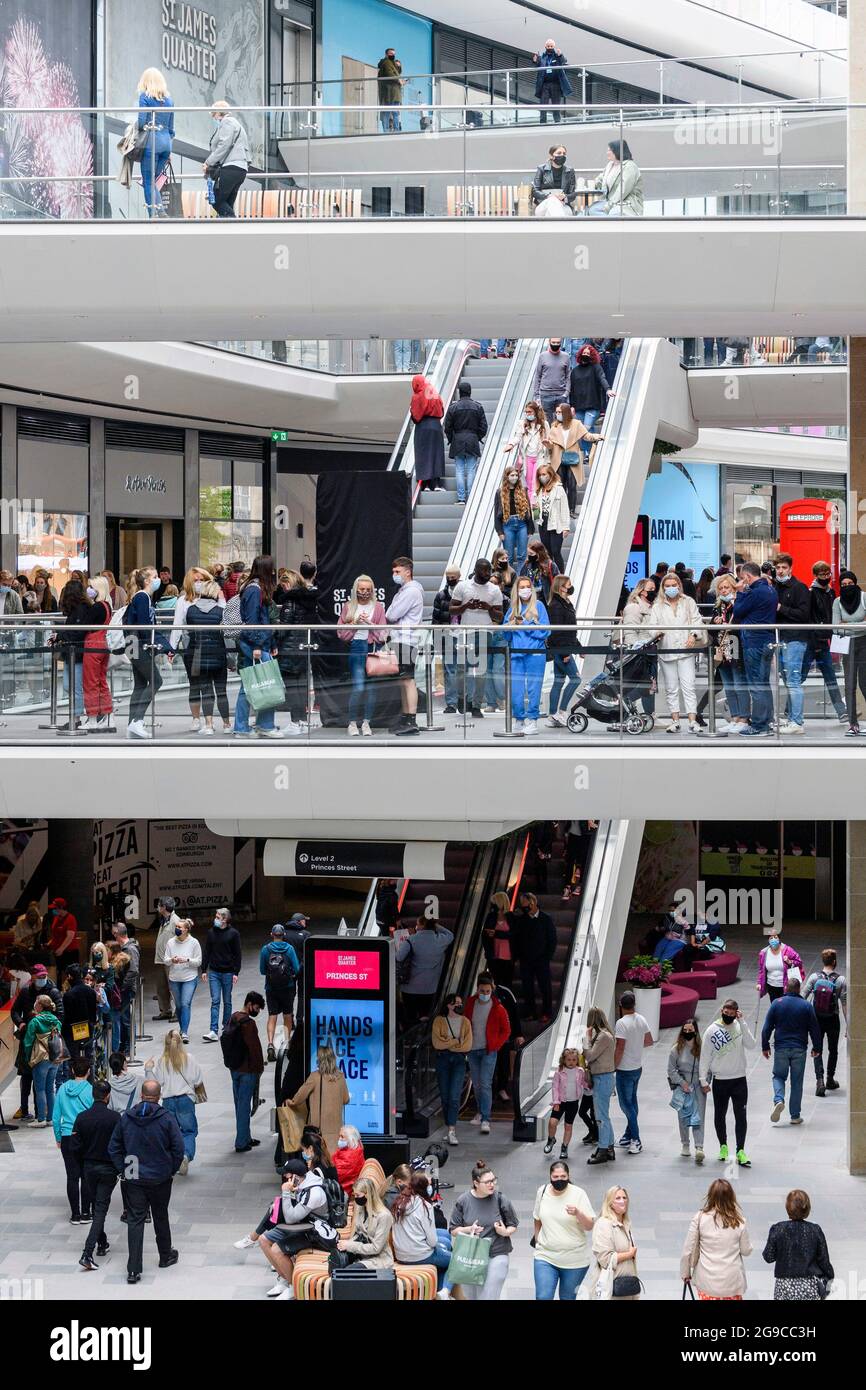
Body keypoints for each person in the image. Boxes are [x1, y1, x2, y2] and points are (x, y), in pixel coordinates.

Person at [108, 1078, 183, 1284]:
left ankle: (133, 1269)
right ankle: (165, 1255)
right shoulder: (167, 1118)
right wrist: (171, 1169)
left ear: (141, 1096)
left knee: (135, 1220)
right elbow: (178, 1148)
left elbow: (114, 1147)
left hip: (134, 1175)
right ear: (159, 1097)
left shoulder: (127, 1118)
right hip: (160, 1175)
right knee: (160, 1215)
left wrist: (123, 1169)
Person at [258, 1157, 334, 1300]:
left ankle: (294, 1286)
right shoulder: (301, 1183)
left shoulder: (314, 1192)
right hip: (301, 1225)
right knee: (263, 1240)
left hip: (314, 1232)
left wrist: (286, 1193)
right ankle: (283, 1279)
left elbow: (291, 1218)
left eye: (286, 1175)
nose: (284, 1178)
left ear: (295, 1177)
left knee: (276, 1249)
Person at [699, 1000, 757, 1168]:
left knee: (741, 1116)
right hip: (720, 1080)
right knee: (720, 1114)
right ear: (722, 1011)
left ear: (736, 1013)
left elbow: (752, 1044)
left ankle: (740, 1150)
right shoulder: (712, 1031)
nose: (729, 1016)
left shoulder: (739, 1026)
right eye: (727, 1013)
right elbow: (705, 1056)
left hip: (739, 1079)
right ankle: (723, 1146)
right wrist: (703, 1080)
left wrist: (743, 1023)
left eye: (732, 1014)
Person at [73, 1079, 122, 1271]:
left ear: (93, 1095)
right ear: (108, 1096)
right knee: (100, 1209)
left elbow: (75, 1148)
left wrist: (82, 1166)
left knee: (96, 1207)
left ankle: (102, 1243)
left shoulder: (82, 1117)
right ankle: (87, 1252)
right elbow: (121, 1144)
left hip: (89, 1168)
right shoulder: (115, 1118)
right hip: (108, 1169)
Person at [450, 1165, 518, 1301]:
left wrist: (504, 1232)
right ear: (476, 1183)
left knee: (488, 1296)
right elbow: (453, 1229)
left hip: (496, 1254)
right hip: (471, 1257)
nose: (492, 1184)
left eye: (493, 1180)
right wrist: (468, 1229)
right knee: (471, 1296)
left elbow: (513, 1224)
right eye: (487, 1182)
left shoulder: (500, 1199)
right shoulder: (463, 1200)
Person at [650, 570, 705, 733]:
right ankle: (674, 720)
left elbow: (697, 621)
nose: (671, 588)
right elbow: (652, 626)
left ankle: (692, 721)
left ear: (679, 586)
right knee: (671, 687)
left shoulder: (688, 602)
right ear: (663, 587)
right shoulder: (658, 605)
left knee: (689, 686)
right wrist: (656, 633)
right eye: (667, 586)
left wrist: (694, 635)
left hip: (686, 650)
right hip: (666, 650)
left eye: (674, 585)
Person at [233, 555, 281, 740]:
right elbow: (254, 621)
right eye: (272, 568)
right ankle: (262, 725)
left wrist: (270, 643)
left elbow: (259, 620)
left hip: (257, 643)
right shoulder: (255, 590)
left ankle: (246, 726)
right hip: (256, 643)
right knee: (264, 684)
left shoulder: (252, 588)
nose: (274, 572)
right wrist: (259, 645)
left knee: (251, 685)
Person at [762, 978, 821, 1126]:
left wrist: (765, 1046)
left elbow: (767, 1027)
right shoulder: (806, 1006)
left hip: (781, 1047)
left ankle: (779, 1100)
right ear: (799, 989)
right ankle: (795, 1115)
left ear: (786, 988)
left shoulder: (777, 1003)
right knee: (797, 1082)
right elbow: (815, 1029)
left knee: (778, 1076)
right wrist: (817, 1048)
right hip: (799, 1048)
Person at [176, 573, 230, 736]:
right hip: (219, 655)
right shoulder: (221, 611)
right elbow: (227, 637)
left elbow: (186, 634)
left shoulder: (191, 611)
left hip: (198, 655)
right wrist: (231, 659)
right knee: (221, 690)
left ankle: (208, 724)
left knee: (205, 690)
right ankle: (227, 724)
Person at [533, 1160, 595, 1301]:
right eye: (556, 1177)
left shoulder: (578, 1194)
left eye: (563, 1177)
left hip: (575, 1260)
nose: (559, 1180)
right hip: (545, 1256)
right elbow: (537, 1218)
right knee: (543, 1297)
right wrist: (538, 1240)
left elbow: (589, 1226)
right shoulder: (542, 1192)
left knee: (567, 1297)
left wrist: (578, 1213)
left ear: (568, 1176)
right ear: (550, 1177)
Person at [144, 1029, 204, 1174]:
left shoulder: (162, 1061)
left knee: (171, 1132)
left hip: (168, 1101)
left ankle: (172, 1159)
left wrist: (149, 1069)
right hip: (186, 1100)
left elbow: (157, 1083)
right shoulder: (189, 1058)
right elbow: (198, 1079)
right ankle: (186, 1155)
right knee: (189, 1131)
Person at [681, 1180, 752, 1301]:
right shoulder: (739, 1221)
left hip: (706, 1281)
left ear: (711, 1196)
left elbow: (688, 1248)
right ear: (731, 1197)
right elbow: (746, 1251)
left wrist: (685, 1273)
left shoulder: (699, 1218)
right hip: (732, 1282)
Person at [449, 558, 503, 718]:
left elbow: (499, 616)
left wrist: (489, 608)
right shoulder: (463, 586)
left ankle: (476, 705)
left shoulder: (494, 590)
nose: (487, 574)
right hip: (464, 631)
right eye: (484, 571)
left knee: (481, 670)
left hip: (484, 631)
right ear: (476, 570)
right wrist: (466, 606)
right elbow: (452, 610)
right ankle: (462, 697)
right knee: (461, 669)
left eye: (489, 571)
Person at [337, 574, 388, 737]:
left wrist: (370, 624)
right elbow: (341, 634)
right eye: (361, 589)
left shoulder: (378, 607)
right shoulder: (348, 607)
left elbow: (383, 634)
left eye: (368, 590)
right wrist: (355, 624)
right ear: (356, 590)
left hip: (373, 648)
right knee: (358, 687)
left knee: (372, 689)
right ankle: (352, 723)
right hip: (357, 649)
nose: (365, 592)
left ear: (372, 590)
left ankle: (366, 722)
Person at [11, 965, 63, 1121]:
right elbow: (14, 1011)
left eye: (43, 976)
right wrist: (20, 1022)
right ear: (32, 977)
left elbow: (61, 1015)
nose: (41, 979)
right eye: (38, 977)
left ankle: (41, 1114)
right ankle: (26, 1109)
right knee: (28, 1079)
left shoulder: (53, 991)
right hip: (31, 1038)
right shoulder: (26, 992)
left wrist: (45, 1029)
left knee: (42, 1085)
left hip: (45, 1046)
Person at [124, 566, 170, 739]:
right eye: (155, 576)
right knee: (156, 680)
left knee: (141, 684)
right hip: (138, 645)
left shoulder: (142, 597)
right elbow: (145, 625)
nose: (158, 579)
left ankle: (132, 724)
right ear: (147, 580)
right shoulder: (143, 597)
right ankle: (137, 721)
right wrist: (154, 644)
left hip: (133, 645)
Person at [733, 562, 778, 736]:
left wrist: (740, 592)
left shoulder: (754, 592)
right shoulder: (771, 590)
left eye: (742, 579)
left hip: (754, 642)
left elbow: (738, 611)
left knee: (756, 685)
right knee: (763, 683)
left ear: (747, 577)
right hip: (767, 641)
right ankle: (767, 721)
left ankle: (759, 725)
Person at [763, 1190, 834, 1301]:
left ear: (788, 1207)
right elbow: (823, 1260)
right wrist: (829, 1277)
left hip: (784, 1286)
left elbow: (769, 1257)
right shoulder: (815, 1230)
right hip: (809, 1285)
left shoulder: (778, 1229)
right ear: (807, 1208)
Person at [463, 974, 511, 1134]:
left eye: (488, 990)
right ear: (477, 990)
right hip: (472, 1049)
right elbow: (465, 1022)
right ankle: (480, 1112)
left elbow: (506, 1030)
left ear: (492, 990)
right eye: (482, 990)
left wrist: (496, 1045)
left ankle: (486, 1118)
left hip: (488, 1051)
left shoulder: (498, 1008)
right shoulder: (470, 1003)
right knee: (476, 1084)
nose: (484, 993)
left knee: (485, 1083)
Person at [502, 576, 550, 735]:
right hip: (516, 655)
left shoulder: (539, 606)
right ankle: (519, 719)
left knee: (533, 688)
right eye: (521, 587)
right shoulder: (513, 608)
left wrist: (525, 626)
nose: (524, 590)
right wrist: (510, 625)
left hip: (535, 654)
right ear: (516, 590)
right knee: (516, 689)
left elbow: (545, 631)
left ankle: (533, 720)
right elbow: (505, 635)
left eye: (527, 586)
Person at [273, 566, 317, 735]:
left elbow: (284, 627)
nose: (282, 588)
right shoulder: (310, 600)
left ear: (288, 584)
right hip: (304, 647)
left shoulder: (289, 601)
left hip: (289, 648)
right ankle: (303, 721)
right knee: (302, 686)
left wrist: (275, 636)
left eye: (283, 585)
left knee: (292, 688)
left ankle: (294, 722)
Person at [391, 1170, 451, 1294]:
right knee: (455, 1260)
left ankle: (438, 1291)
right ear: (424, 1187)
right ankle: (444, 1290)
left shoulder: (399, 1202)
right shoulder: (424, 1206)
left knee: (444, 1236)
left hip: (401, 1254)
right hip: (420, 1255)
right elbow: (433, 1242)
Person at [221, 991, 265, 1153]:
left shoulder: (233, 1018)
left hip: (234, 1068)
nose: (257, 1011)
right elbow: (254, 1049)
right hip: (248, 1070)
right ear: (249, 1004)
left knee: (240, 1105)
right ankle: (241, 1142)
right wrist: (259, 1068)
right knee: (244, 1107)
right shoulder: (248, 1024)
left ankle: (246, 1136)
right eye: (257, 1007)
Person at [802, 562, 846, 723]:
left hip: (825, 639)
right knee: (800, 676)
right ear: (816, 575)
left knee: (830, 677)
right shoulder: (811, 592)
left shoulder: (831, 592)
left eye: (827, 574)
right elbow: (809, 616)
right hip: (812, 640)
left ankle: (841, 711)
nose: (825, 577)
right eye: (822, 574)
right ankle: (788, 710)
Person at [386, 556, 425, 736]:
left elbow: (392, 614)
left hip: (407, 639)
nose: (394, 575)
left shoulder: (411, 591)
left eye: (397, 572)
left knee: (408, 680)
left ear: (407, 572)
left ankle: (411, 719)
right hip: (401, 638)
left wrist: (392, 613)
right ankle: (405, 717)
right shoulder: (404, 590)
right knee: (403, 680)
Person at [773, 553, 811, 734]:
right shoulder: (774, 587)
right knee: (787, 681)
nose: (780, 571)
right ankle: (791, 719)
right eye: (778, 568)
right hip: (779, 640)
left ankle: (797, 721)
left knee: (793, 681)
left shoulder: (799, 588)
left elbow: (804, 615)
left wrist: (782, 608)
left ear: (790, 568)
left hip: (795, 639)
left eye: (783, 568)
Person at [53, 1055, 94, 1224]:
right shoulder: (91, 1090)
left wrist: (58, 1137)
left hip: (67, 1135)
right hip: (85, 1137)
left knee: (72, 1176)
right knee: (86, 1175)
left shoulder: (62, 1089)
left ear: (71, 1070)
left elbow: (56, 1117)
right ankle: (86, 1213)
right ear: (89, 1072)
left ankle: (75, 1214)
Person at [709, 573, 750, 732]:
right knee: (729, 685)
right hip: (721, 647)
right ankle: (734, 718)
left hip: (735, 644)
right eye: (721, 588)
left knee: (739, 683)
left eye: (727, 587)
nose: (724, 591)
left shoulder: (738, 603)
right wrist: (715, 622)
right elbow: (712, 630)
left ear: (733, 587)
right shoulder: (718, 605)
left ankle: (744, 718)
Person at [614, 991, 653, 1156]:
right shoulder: (641, 1019)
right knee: (633, 1102)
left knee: (626, 1105)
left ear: (621, 1005)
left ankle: (636, 1139)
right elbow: (649, 1041)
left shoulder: (621, 1023)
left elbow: (620, 1048)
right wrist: (635, 1047)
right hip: (637, 1068)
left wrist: (613, 1066)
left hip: (624, 1070)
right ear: (634, 1004)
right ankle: (627, 1135)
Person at [289, 1045, 350, 1151]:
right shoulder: (340, 1076)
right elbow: (346, 1099)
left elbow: (299, 1097)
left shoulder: (315, 1077)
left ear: (319, 1060)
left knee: (320, 1157)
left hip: (318, 1128)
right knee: (333, 1158)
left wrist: (291, 1102)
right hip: (336, 1127)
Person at [395, 916, 455, 1023]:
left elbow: (399, 957)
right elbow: (450, 935)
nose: (416, 926)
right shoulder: (440, 940)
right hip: (430, 987)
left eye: (418, 924)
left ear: (422, 925)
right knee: (425, 1016)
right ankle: (422, 1035)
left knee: (410, 1016)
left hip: (409, 987)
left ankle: (409, 1035)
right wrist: (435, 925)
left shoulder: (411, 939)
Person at [804, 948, 847, 1096]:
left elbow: (803, 997)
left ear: (823, 961)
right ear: (834, 962)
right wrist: (849, 1025)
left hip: (816, 1019)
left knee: (817, 1049)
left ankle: (820, 1081)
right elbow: (845, 1004)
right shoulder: (841, 980)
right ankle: (830, 1078)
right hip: (833, 1019)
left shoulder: (814, 978)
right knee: (833, 1049)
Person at [432, 992, 472, 1146]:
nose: (459, 1005)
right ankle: (449, 1127)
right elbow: (437, 1044)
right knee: (445, 1095)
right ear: (448, 1005)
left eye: (460, 1002)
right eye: (456, 1003)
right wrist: (456, 1041)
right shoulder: (439, 1021)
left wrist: (447, 1041)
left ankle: (451, 1130)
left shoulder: (466, 1022)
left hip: (459, 1061)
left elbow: (467, 1046)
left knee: (454, 1096)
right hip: (442, 1060)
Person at [586, 1186, 640, 1299]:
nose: (622, 1201)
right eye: (618, 1198)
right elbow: (605, 1259)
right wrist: (629, 1254)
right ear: (610, 1203)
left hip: (627, 1288)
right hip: (610, 1289)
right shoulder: (604, 1224)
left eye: (624, 1198)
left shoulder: (626, 1224)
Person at [548, 402, 603, 512]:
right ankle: (562, 511)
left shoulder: (576, 424)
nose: (557, 414)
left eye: (560, 412)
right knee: (560, 486)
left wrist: (597, 436)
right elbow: (551, 443)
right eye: (557, 412)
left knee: (572, 485)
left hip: (573, 458)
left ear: (566, 412)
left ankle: (571, 510)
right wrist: (547, 444)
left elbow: (586, 436)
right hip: (558, 459)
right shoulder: (554, 426)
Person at [136, 68, 175, 218]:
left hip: (151, 144)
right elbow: (171, 129)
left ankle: (155, 214)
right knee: (153, 181)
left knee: (148, 181)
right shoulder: (170, 101)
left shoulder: (144, 97)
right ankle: (160, 211)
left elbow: (141, 122)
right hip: (166, 144)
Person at [443, 379, 488, 504]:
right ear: (470, 392)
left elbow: (448, 427)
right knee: (471, 469)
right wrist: (478, 437)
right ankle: (471, 498)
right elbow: (483, 426)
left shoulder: (453, 407)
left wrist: (451, 438)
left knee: (459, 470)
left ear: (460, 392)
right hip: (472, 440)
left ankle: (461, 498)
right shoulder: (478, 407)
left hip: (458, 440)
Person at [200, 906, 241, 1042]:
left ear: (224, 919)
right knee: (215, 1000)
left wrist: (236, 972)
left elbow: (237, 954)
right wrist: (204, 969)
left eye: (218, 917)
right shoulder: (211, 933)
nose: (215, 919)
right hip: (214, 972)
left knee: (227, 1001)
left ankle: (226, 1027)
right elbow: (207, 951)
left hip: (228, 972)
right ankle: (213, 1030)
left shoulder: (233, 934)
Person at [833, 569, 866, 735]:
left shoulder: (864, 597)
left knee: (865, 683)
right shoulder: (837, 602)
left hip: (864, 643)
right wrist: (861, 622)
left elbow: (843, 625)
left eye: (850, 584)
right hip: (847, 645)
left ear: (855, 583)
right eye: (843, 585)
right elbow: (836, 628)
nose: (847, 587)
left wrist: (847, 623)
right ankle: (853, 724)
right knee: (850, 684)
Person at [668, 1017, 706, 1164]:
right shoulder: (676, 1049)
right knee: (683, 1116)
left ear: (695, 1031)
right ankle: (685, 1144)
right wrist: (682, 1083)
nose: (688, 1032)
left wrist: (705, 1082)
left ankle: (699, 1147)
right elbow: (671, 1070)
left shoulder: (702, 1048)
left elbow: (707, 1066)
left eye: (691, 1030)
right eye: (685, 1030)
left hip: (698, 1084)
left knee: (699, 1116)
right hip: (682, 1086)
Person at [335, 1176, 394, 1270]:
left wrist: (350, 1246)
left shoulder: (384, 1216)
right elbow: (358, 1234)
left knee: (348, 1272)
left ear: (367, 1195)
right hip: (362, 1255)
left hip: (379, 1259)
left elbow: (376, 1248)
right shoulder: (361, 1208)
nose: (356, 1199)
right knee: (336, 1263)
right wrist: (346, 1244)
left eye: (358, 1195)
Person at [569, 343, 613, 463]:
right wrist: (572, 405)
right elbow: (571, 389)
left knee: (585, 429)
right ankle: (591, 452)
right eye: (584, 353)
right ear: (580, 354)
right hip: (578, 406)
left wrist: (608, 389)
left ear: (592, 355)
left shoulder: (596, 367)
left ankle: (587, 452)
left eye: (588, 354)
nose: (586, 355)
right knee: (585, 430)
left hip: (592, 405)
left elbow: (602, 378)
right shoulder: (575, 371)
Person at [515, 892, 556, 1020]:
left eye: (526, 905)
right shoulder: (522, 920)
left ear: (533, 903)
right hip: (526, 960)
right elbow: (518, 939)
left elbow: (552, 939)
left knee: (545, 987)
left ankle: (546, 1012)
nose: (524, 908)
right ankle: (530, 1012)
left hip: (541, 960)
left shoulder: (545, 919)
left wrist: (547, 957)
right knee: (527, 987)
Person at [203, 101, 249, 217]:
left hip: (231, 167)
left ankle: (233, 223)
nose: (213, 117)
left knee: (216, 200)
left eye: (213, 114)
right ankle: (229, 229)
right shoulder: (236, 124)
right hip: (240, 168)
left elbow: (224, 145)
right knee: (227, 202)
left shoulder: (227, 122)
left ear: (219, 113)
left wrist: (208, 162)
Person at [543, 1048, 590, 1159]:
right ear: (564, 1060)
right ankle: (551, 1139)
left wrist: (589, 1085)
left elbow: (583, 1083)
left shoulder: (580, 1071)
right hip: (560, 1102)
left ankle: (564, 1147)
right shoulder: (559, 1072)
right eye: (568, 1059)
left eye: (574, 1060)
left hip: (573, 1103)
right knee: (552, 1123)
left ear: (577, 1060)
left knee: (568, 1126)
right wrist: (556, 1102)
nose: (571, 1062)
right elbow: (555, 1088)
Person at [82, 575, 113, 728]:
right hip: (104, 644)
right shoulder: (107, 605)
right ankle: (108, 717)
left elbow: (86, 624)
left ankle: (92, 718)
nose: (89, 590)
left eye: (92, 587)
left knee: (91, 683)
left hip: (93, 645)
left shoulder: (96, 607)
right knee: (101, 682)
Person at [494, 465, 534, 574]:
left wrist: (530, 528)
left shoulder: (522, 490)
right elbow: (497, 514)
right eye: (512, 475)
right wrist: (499, 531)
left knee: (522, 555)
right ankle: (509, 579)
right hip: (507, 524)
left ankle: (521, 578)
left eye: (516, 475)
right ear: (507, 476)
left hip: (522, 523)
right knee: (508, 556)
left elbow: (528, 509)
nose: (515, 477)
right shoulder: (500, 492)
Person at [588, 139, 644, 217]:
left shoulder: (630, 167)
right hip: (610, 202)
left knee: (611, 213)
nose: (607, 153)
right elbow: (601, 179)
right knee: (590, 210)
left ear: (617, 151)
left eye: (609, 150)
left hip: (626, 204)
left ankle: (610, 227)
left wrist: (609, 206)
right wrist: (593, 184)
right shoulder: (610, 165)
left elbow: (622, 191)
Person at [504, 400, 548, 495]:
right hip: (528, 457)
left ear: (536, 412)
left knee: (537, 481)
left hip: (540, 456)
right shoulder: (522, 424)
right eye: (526, 412)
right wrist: (511, 444)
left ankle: (536, 504)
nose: (528, 414)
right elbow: (518, 436)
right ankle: (530, 505)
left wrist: (548, 444)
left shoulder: (544, 424)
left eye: (530, 412)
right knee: (529, 482)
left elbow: (548, 439)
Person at [433, 567, 462, 713]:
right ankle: (451, 703)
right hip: (447, 635)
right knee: (450, 670)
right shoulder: (441, 596)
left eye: (453, 576)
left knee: (464, 669)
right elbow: (436, 620)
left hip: (463, 634)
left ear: (459, 576)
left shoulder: (465, 592)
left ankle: (464, 700)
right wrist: (436, 642)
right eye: (448, 576)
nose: (450, 579)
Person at [410, 376, 446, 492]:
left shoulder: (417, 396)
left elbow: (415, 416)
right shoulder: (434, 392)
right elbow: (442, 410)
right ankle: (436, 484)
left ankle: (425, 484)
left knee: (423, 454)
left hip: (423, 427)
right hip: (436, 426)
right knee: (436, 454)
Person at [59, 965, 97, 1071]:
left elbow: (66, 1017)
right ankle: (90, 1083)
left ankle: (73, 1084)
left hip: (71, 1033)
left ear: (70, 976)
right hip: (88, 1030)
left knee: (72, 1061)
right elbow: (93, 1014)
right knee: (89, 1059)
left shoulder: (68, 995)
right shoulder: (91, 992)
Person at [532, 465, 570, 570]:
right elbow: (535, 510)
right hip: (543, 523)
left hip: (556, 524)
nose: (541, 477)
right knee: (547, 552)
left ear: (550, 474)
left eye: (544, 474)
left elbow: (565, 508)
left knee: (556, 551)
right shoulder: (538, 490)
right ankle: (550, 575)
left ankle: (560, 576)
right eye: (539, 475)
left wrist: (566, 527)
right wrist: (535, 513)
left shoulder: (558, 488)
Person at [153, 896, 181, 1022]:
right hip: (160, 959)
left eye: (159, 905)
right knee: (161, 987)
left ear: (164, 907)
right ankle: (165, 1010)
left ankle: (177, 1012)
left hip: (170, 960)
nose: (157, 907)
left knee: (173, 986)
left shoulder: (176, 921)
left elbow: (182, 940)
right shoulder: (164, 919)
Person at [482, 891, 517, 990]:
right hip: (493, 955)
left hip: (508, 956)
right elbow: (484, 935)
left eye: (494, 903)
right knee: (495, 982)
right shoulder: (491, 916)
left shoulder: (511, 917)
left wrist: (497, 934)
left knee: (506, 983)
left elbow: (515, 935)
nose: (493, 905)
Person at [532, 41, 573, 124]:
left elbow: (563, 61)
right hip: (544, 84)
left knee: (556, 103)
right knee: (543, 103)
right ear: (545, 46)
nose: (550, 47)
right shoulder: (543, 56)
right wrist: (535, 60)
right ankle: (542, 122)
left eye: (551, 46)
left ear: (553, 46)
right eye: (548, 46)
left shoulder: (557, 55)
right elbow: (537, 65)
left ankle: (557, 121)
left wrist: (560, 55)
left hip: (556, 84)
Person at [756, 930, 803, 1002]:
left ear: (779, 938)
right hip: (771, 985)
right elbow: (761, 970)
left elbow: (799, 962)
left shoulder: (787, 950)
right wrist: (759, 983)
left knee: (785, 1006)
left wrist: (789, 962)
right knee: (775, 1005)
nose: (773, 940)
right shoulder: (764, 953)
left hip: (785, 986)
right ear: (768, 940)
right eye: (771, 938)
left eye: (775, 937)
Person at [532, 339, 572, 424]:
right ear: (549, 342)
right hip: (545, 394)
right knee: (547, 422)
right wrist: (536, 395)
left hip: (561, 394)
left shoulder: (566, 356)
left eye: (558, 343)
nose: (555, 344)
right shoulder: (542, 356)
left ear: (561, 343)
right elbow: (538, 375)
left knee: (562, 422)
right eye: (553, 342)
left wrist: (566, 393)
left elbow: (568, 376)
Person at [377, 47, 404, 132]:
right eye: (391, 54)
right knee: (387, 112)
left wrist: (399, 67)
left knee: (395, 112)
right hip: (389, 92)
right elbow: (390, 74)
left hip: (395, 93)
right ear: (386, 54)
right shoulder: (386, 62)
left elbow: (397, 73)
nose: (393, 55)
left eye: (394, 54)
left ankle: (396, 130)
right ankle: (386, 130)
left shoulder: (392, 63)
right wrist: (399, 80)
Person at [333, 1124, 365, 1195]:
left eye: (342, 1137)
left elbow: (336, 1174)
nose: (339, 1139)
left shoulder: (352, 1155)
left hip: (343, 1190)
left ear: (351, 1138)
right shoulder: (351, 1150)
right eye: (339, 1136)